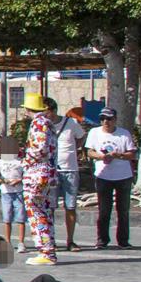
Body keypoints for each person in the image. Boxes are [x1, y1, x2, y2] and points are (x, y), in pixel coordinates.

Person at [86, 106, 136, 249]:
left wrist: (118, 155)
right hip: (103, 176)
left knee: (123, 210)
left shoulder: (124, 134)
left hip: (123, 176)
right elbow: (89, 152)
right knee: (104, 210)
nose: (105, 122)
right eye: (102, 119)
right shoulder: (94, 132)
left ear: (115, 120)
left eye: (109, 119)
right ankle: (102, 240)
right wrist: (100, 156)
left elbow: (132, 154)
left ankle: (123, 240)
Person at [19, 93, 59, 265]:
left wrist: (25, 161)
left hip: (37, 173)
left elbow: (40, 148)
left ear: (28, 109)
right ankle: (48, 248)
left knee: (36, 210)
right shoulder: (48, 123)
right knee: (44, 210)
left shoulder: (39, 123)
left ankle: (46, 252)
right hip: (47, 173)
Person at [54, 104, 87, 251]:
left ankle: (70, 240)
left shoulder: (71, 123)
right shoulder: (42, 125)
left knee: (71, 206)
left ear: (53, 110)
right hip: (51, 171)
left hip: (70, 170)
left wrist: (74, 148)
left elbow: (81, 136)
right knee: (50, 207)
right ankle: (50, 240)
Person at [0, 134, 28, 252]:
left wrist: (19, 180)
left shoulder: (21, 162)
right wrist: (4, 181)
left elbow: (26, 176)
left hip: (19, 192)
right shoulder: (0, 162)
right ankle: (7, 242)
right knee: (7, 218)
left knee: (21, 218)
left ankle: (21, 242)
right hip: (6, 193)